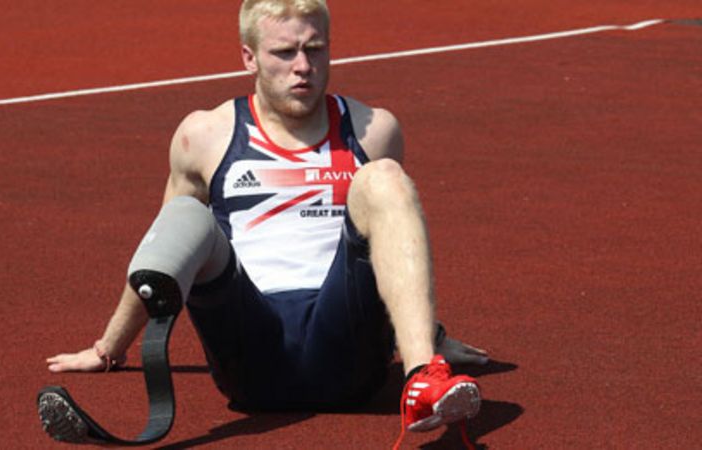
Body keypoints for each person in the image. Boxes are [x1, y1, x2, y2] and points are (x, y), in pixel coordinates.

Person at [46, 0, 489, 444]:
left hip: (348, 352)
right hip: (250, 354)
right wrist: (109, 348)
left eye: (315, 49)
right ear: (249, 57)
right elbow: (169, 248)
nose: (303, 67)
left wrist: (426, 333)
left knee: (385, 179)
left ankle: (423, 379)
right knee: (186, 213)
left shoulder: (375, 131)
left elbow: (393, 245)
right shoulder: (203, 135)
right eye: (284, 53)